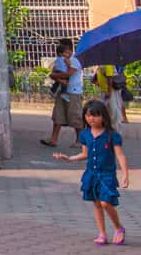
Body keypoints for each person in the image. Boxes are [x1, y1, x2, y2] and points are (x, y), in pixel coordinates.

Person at [54, 99, 130, 245]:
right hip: (91, 175)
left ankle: (119, 228)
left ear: (104, 117)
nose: (91, 119)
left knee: (106, 203)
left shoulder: (112, 135)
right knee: (96, 204)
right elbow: (85, 154)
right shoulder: (85, 134)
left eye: (95, 115)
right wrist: (69, 158)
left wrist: (125, 174)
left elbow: (120, 155)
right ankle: (102, 233)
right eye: (88, 116)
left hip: (107, 175)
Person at [41, 39, 84, 148]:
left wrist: (55, 76)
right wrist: (56, 76)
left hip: (73, 92)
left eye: (63, 49)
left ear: (69, 50)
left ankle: (80, 140)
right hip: (62, 91)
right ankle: (53, 139)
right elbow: (53, 72)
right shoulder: (60, 60)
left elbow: (68, 74)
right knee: (58, 115)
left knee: (75, 115)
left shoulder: (74, 61)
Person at [94, 64, 126, 129]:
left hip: (109, 90)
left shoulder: (107, 65)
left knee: (113, 110)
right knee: (108, 110)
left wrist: (109, 91)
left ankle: (114, 129)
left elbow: (110, 79)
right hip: (105, 90)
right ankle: (109, 127)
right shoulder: (102, 65)